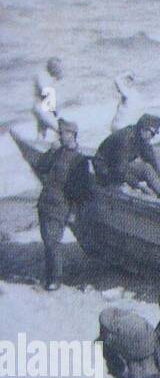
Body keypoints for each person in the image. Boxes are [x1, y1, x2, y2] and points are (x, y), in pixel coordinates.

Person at [33, 118, 91, 290]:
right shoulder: (57, 152)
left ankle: (55, 279)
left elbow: (81, 190)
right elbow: (41, 167)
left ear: (72, 135)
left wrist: (73, 211)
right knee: (48, 241)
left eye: (63, 133)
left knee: (53, 242)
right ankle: (50, 276)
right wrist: (50, 152)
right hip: (45, 203)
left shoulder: (80, 160)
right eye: (60, 133)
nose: (60, 136)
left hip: (61, 206)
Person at [92, 113, 160, 199]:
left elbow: (156, 166)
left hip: (119, 166)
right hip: (105, 169)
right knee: (146, 169)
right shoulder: (125, 139)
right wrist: (139, 186)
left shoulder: (142, 139)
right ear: (143, 130)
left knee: (151, 167)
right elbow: (120, 169)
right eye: (152, 134)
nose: (152, 137)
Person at [32, 58, 65, 138]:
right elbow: (47, 92)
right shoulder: (43, 77)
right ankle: (61, 149)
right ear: (52, 67)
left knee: (42, 131)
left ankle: (40, 144)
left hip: (42, 109)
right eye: (58, 68)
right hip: (42, 109)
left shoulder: (49, 77)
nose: (60, 70)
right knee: (60, 130)